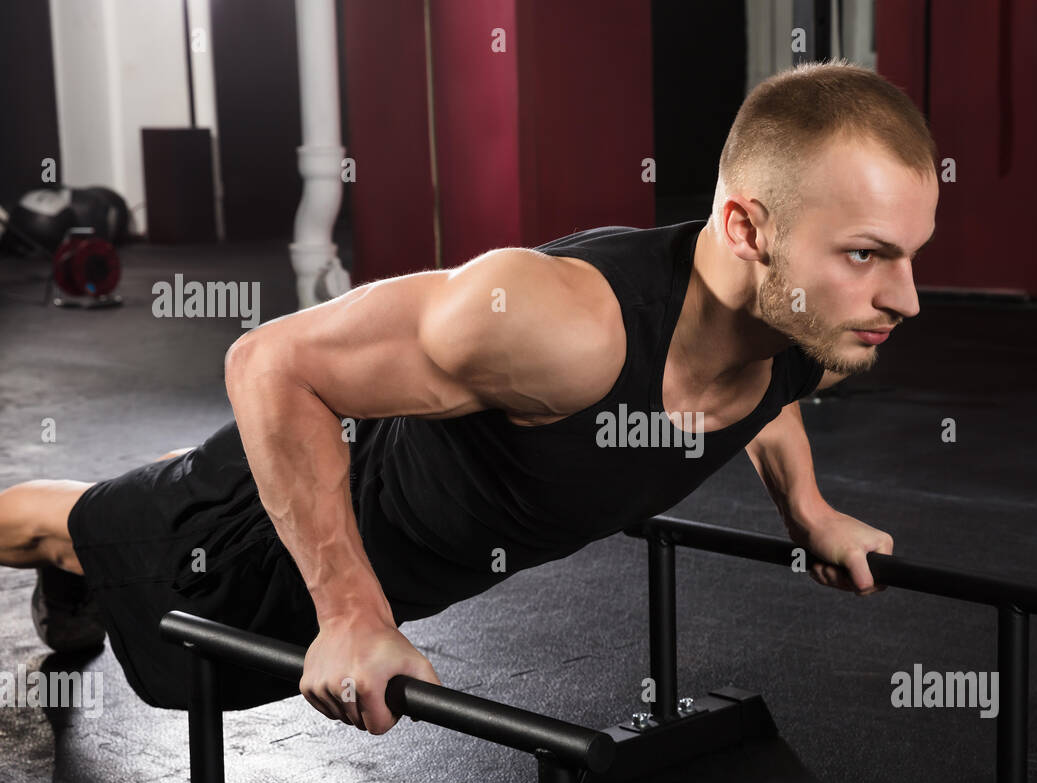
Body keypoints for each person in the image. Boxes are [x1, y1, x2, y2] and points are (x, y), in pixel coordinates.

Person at [0, 60, 937, 736]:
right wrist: (352, 615)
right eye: (867, 254)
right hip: (274, 525)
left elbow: (766, 388)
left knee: (137, 544)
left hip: (389, 531)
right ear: (747, 228)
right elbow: (270, 362)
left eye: (910, 254)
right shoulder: (563, 325)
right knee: (77, 527)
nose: (905, 299)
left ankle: (104, 542)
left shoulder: (806, 322)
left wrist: (808, 512)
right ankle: (83, 538)